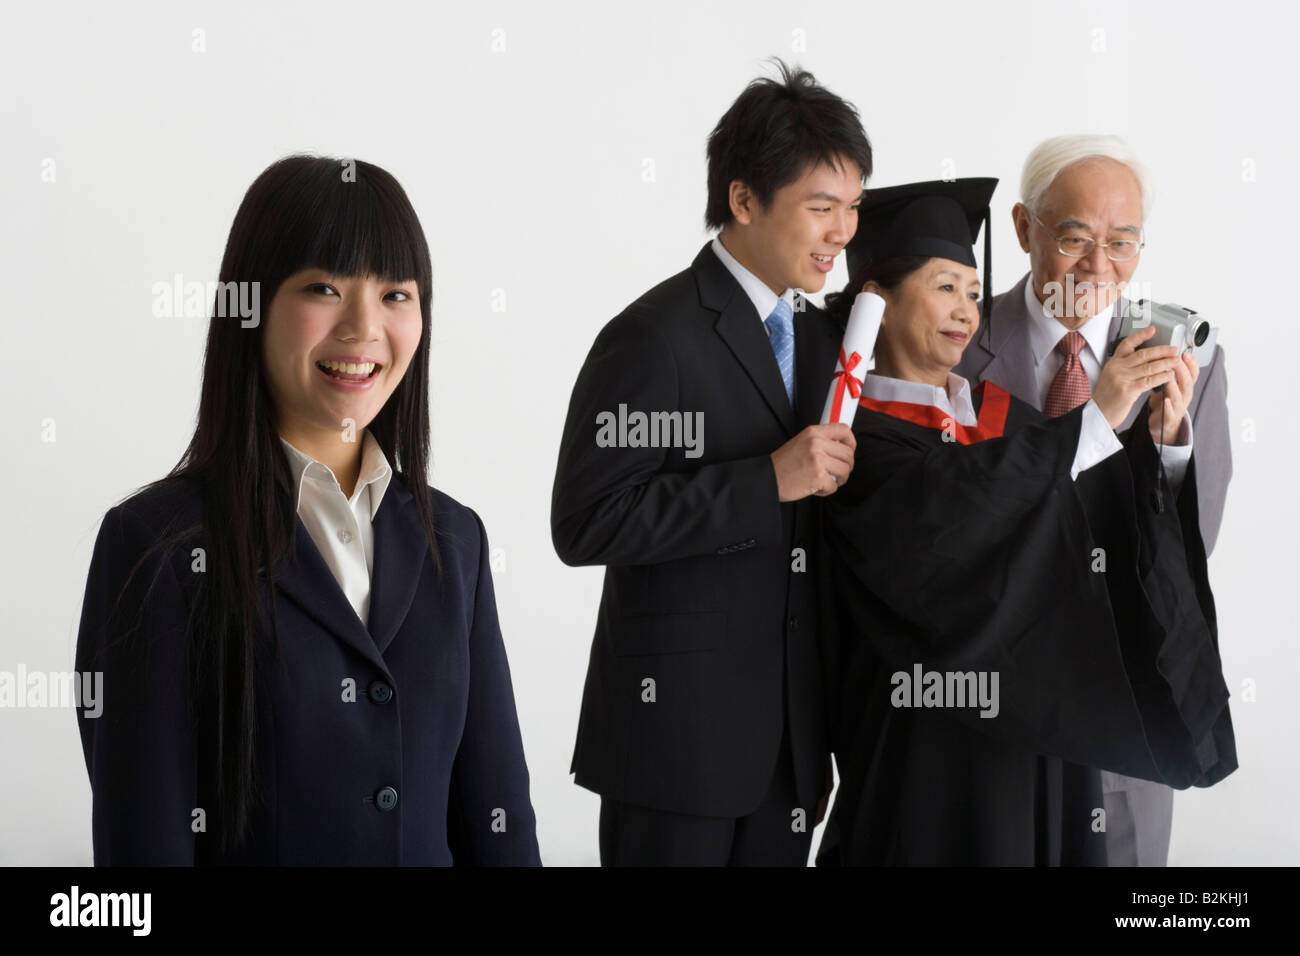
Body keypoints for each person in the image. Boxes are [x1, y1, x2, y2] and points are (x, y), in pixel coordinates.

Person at [75, 155, 540, 865]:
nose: (363, 328)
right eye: (324, 287)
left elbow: (497, 820)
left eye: (396, 294)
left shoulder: (457, 539)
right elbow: (145, 847)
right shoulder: (157, 547)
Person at [815, 178, 1236, 866]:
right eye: (945, 287)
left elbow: (1095, 527)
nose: (966, 312)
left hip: (1044, 744)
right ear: (877, 304)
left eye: (974, 294)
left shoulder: (1003, 418)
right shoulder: (852, 442)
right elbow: (950, 516)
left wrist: (1161, 443)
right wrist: (1092, 422)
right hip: (926, 758)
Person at [550, 58, 870, 865]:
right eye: (822, 208)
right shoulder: (655, 335)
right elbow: (586, 521)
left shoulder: (830, 341)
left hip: (791, 754)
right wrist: (769, 480)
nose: (843, 233)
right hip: (674, 754)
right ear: (742, 198)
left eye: (854, 209)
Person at [954, 135, 1232, 865]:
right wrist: (1094, 420)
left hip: (1123, 720)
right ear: (1022, 229)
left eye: (1123, 243)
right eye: (1074, 238)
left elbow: (1193, 551)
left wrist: (1170, 447)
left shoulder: (1189, 359)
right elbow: (946, 538)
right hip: (990, 722)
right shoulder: (956, 345)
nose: (1098, 268)